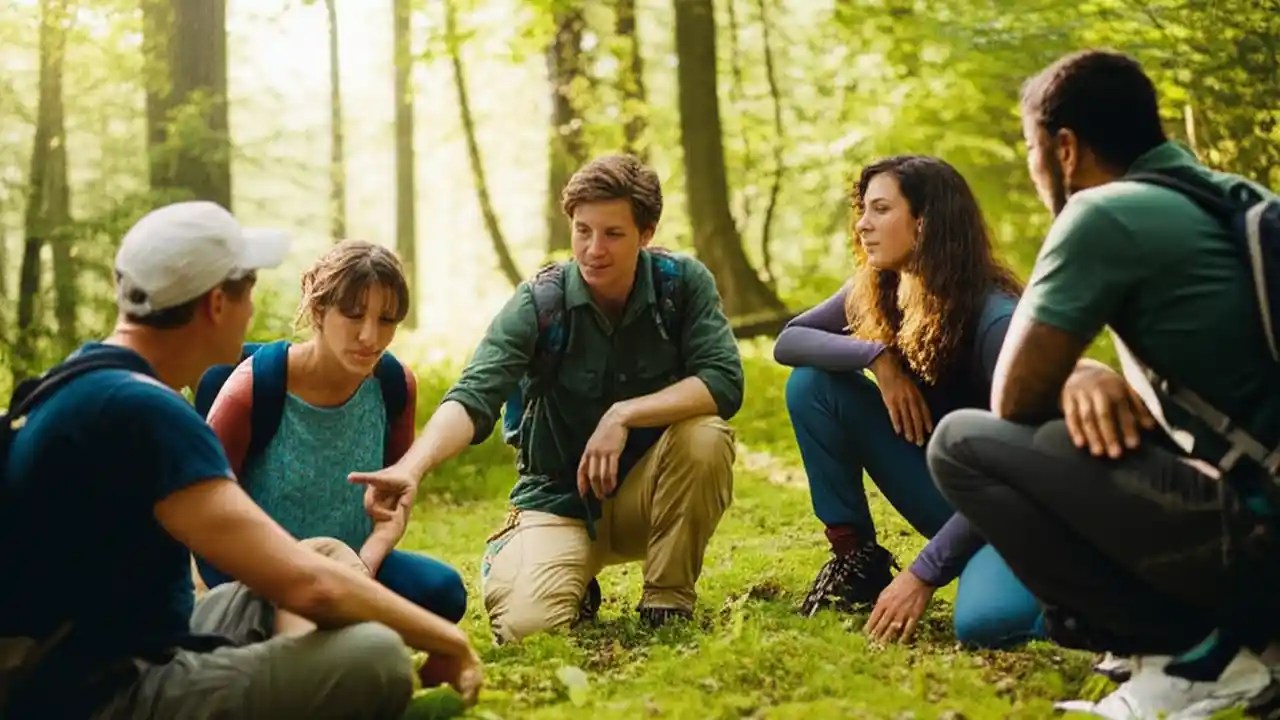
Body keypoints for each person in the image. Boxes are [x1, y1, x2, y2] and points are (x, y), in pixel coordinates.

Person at [0, 202, 482, 718]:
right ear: (215, 304)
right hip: (91, 689)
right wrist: (447, 641)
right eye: (248, 290)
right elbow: (308, 587)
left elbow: (301, 571)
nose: (252, 312)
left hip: (126, 638)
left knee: (321, 551)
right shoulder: (144, 412)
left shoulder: (82, 377)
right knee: (377, 659)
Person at [927, 50, 1280, 717]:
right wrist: (1088, 373)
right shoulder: (1234, 201)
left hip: (1256, 538)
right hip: (1259, 505)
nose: (1034, 171)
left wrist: (1073, 370)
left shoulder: (1101, 214)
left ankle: (1189, 656)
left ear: (1064, 149)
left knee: (960, 442)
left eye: (1030, 149)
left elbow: (1015, 398)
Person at [345, 154, 743, 643]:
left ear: (646, 233)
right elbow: (474, 395)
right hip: (560, 501)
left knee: (705, 437)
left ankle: (667, 600)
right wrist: (412, 467)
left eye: (613, 233)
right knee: (524, 630)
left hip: (653, 493)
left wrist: (624, 415)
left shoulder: (681, 286)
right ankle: (558, 577)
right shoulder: (541, 302)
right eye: (583, 230)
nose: (594, 249)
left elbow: (724, 381)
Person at [776, 155, 1043, 648]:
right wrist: (879, 358)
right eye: (863, 209)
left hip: (1014, 514)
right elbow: (789, 342)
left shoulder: (998, 322)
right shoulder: (883, 284)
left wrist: (923, 573)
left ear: (924, 224)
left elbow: (1018, 476)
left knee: (985, 625)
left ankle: (1096, 595)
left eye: (880, 209)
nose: (862, 223)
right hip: (947, 490)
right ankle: (857, 562)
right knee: (812, 384)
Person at [201, 240, 467, 624]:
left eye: (386, 320)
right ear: (319, 308)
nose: (370, 337)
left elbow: (388, 509)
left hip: (353, 566)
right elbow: (207, 513)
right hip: (262, 573)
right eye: (354, 315)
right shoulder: (254, 387)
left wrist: (363, 567)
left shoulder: (394, 385)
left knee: (442, 592)